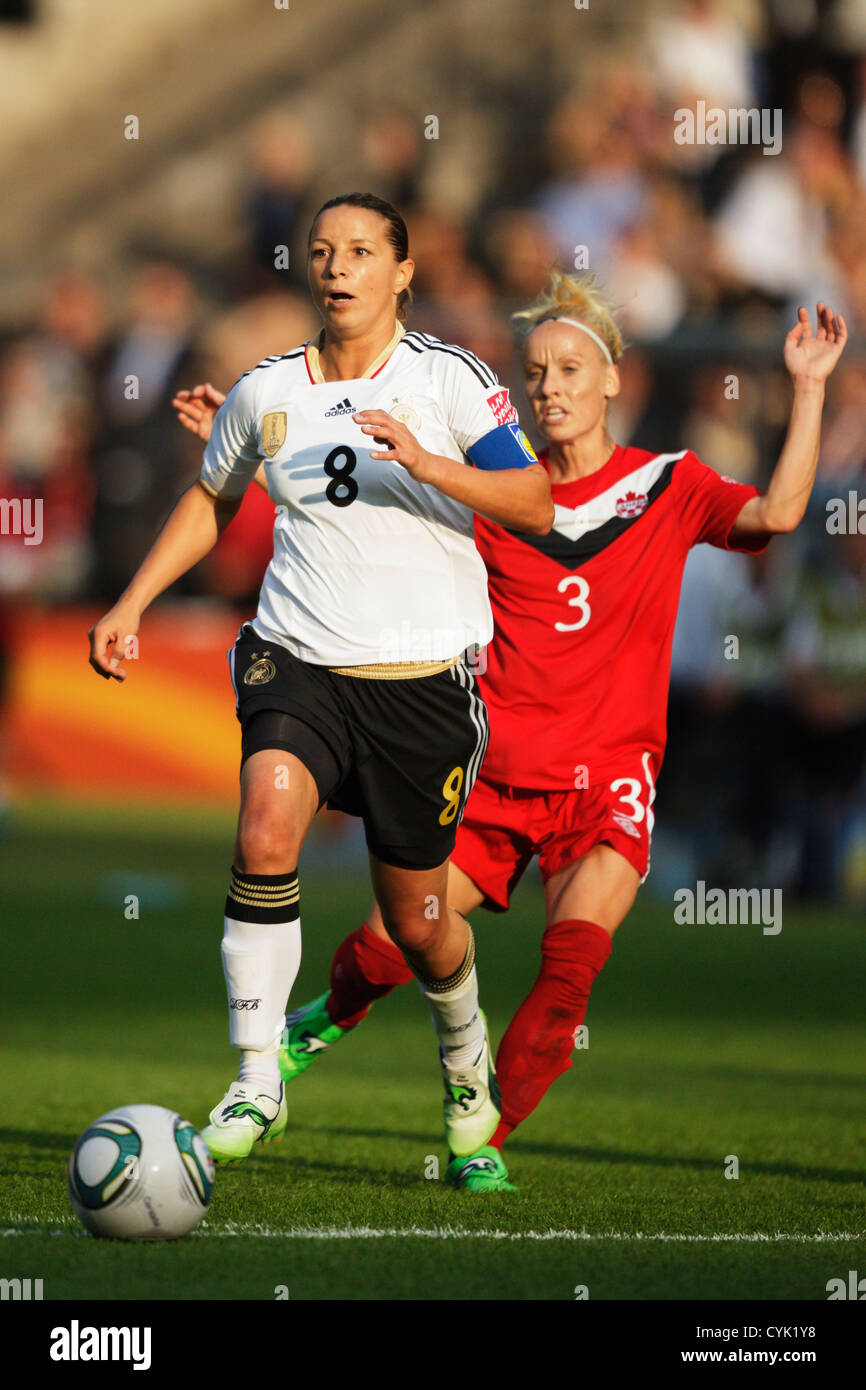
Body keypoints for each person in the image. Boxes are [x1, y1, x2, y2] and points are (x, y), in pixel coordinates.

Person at [176, 273, 847, 1192]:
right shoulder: (485, 491)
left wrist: (807, 386)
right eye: (536, 372)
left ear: (615, 380)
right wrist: (253, 439)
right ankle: (318, 1023)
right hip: (490, 773)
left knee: (567, 974)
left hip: (607, 780)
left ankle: (481, 1132)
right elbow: (352, 510)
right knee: (393, 946)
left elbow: (776, 514)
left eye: (572, 368)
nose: (552, 386)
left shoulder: (668, 484)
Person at [89, 192, 553, 1168]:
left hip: (422, 682)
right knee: (264, 831)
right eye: (321, 251)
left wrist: (433, 464)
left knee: (420, 923)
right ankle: (257, 1080)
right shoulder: (265, 392)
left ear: (402, 270)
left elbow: (534, 501)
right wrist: (131, 604)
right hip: (295, 658)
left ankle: (464, 1055)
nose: (336, 266)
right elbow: (211, 497)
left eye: (358, 251)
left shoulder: (448, 380)